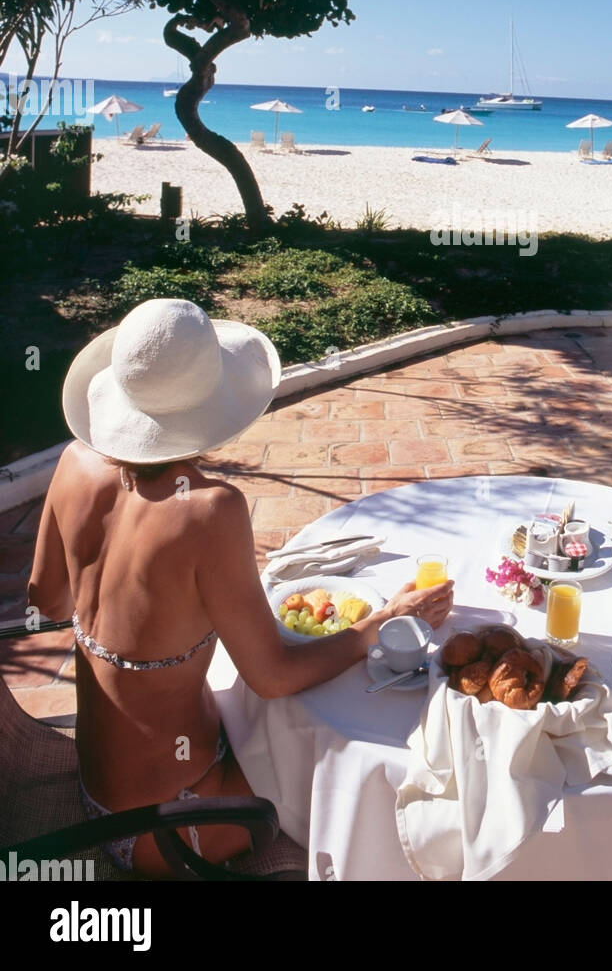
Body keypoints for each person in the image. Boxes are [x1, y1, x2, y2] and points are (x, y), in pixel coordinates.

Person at [27, 298, 453, 877]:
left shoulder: (76, 462)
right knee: (356, 795)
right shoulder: (208, 511)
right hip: (178, 825)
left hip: (100, 791)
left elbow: (47, 599)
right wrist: (376, 626)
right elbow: (273, 678)